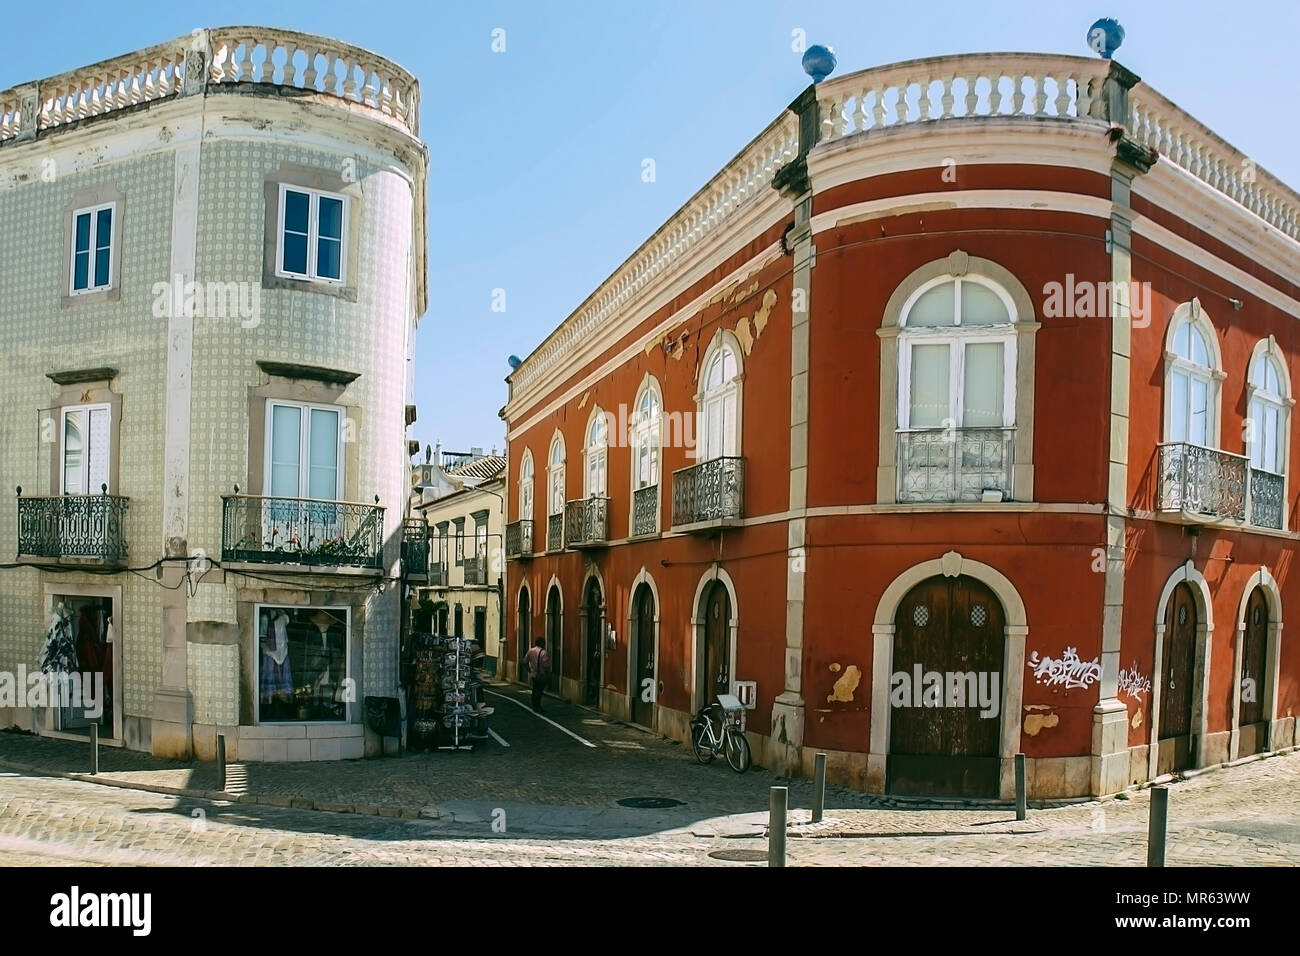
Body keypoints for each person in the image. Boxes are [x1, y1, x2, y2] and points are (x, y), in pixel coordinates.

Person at [524, 636, 551, 713]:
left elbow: (525, 662)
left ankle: (534, 705)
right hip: (541, 675)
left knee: (535, 690)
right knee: (539, 691)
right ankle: (537, 706)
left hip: (533, 674)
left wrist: (529, 670)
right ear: (542, 643)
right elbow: (546, 666)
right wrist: (548, 675)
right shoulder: (544, 652)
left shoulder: (530, 651)